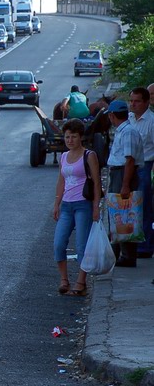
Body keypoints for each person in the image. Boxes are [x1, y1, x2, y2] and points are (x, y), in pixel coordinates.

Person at [52, 118, 101, 296]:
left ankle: (81, 282)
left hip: (83, 205)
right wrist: (56, 203)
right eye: (67, 137)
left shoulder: (89, 155)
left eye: (73, 137)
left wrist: (96, 206)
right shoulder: (64, 156)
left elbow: (96, 183)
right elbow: (61, 180)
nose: (70, 140)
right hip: (66, 205)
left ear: (80, 137)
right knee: (58, 243)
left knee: (82, 245)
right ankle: (64, 279)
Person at [105, 99, 145, 267]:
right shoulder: (123, 130)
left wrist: (125, 184)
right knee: (119, 214)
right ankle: (120, 253)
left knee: (124, 215)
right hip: (118, 173)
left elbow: (129, 160)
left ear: (112, 115)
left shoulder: (128, 132)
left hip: (123, 174)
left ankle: (127, 255)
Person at [128, 87, 154, 258]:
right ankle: (128, 242)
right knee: (127, 207)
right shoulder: (129, 118)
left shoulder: (151, 121)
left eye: (137, 101)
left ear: (146, 102)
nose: (133, 104)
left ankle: (145, 246)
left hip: (145, 166)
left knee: (144, 208)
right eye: (131, 101)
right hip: (128, 167)